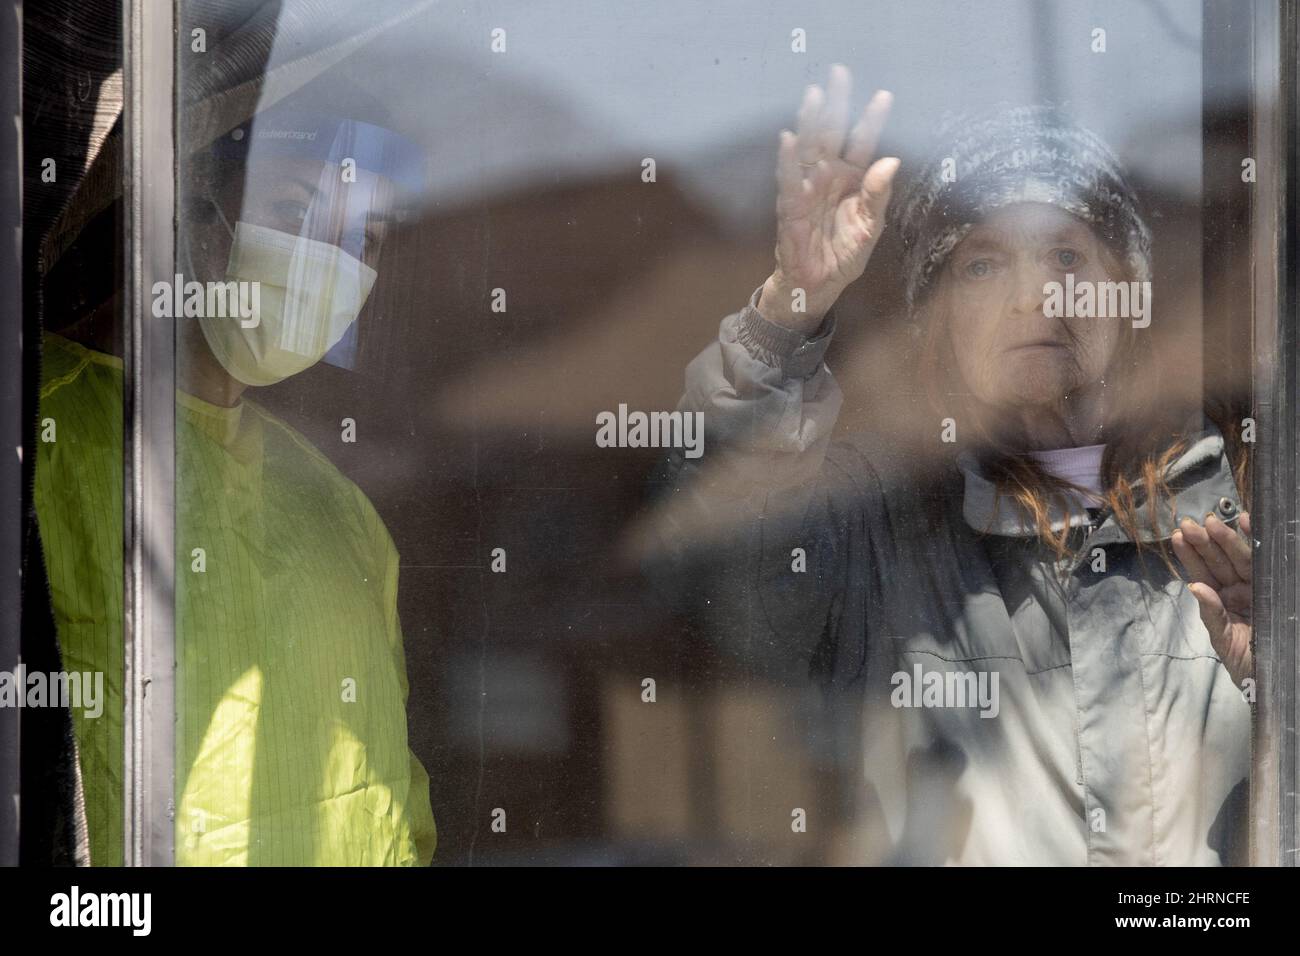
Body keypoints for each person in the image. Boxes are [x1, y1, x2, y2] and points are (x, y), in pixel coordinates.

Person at [650, 65, 1253, 865]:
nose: (1035, 295)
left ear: (1127, 290)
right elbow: (721, 569)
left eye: (1069, 256)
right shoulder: (881, 528)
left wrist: (1278, 677)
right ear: (936, 322)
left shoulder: (1252, 512)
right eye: (982, 264)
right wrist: (790, 307)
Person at [35, 83, 437, 865]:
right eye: (292, 211)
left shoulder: (337, 506)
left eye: (365, 239)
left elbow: (393, 796)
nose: (327, 262)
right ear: (190, 205)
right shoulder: (34, 433)